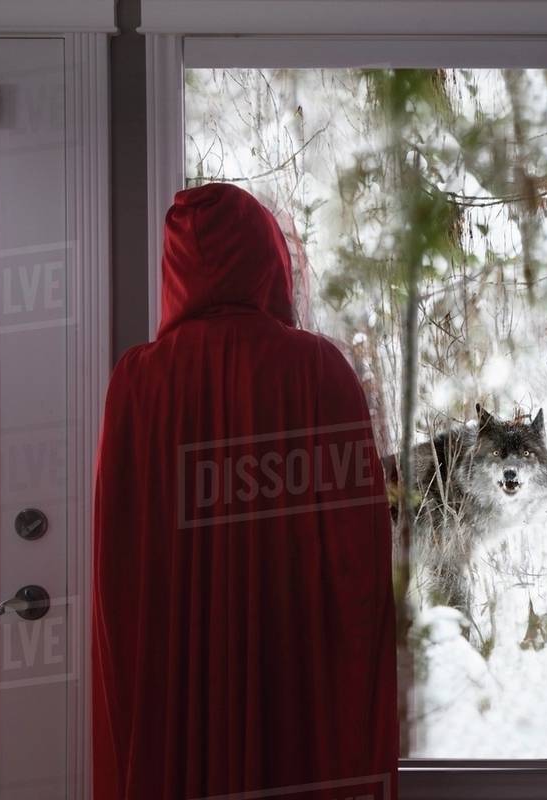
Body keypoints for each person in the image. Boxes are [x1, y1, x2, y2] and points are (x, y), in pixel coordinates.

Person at [92, 183, 396, 800]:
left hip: (176, 672)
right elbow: (359, 553)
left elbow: (116, 558)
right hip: (292, 666)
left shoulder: (136, 382)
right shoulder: (320, 369)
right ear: (268, 261)